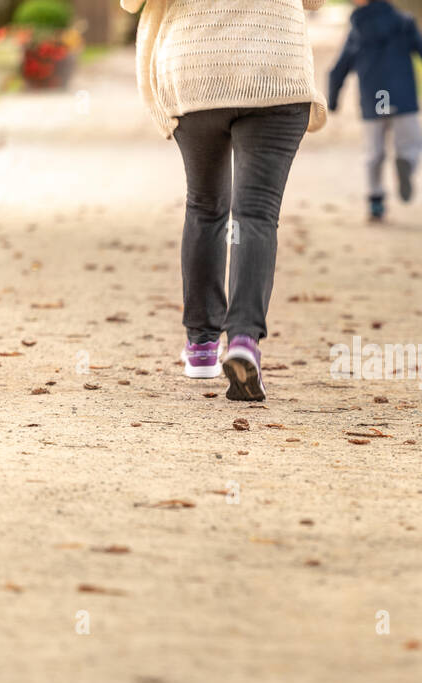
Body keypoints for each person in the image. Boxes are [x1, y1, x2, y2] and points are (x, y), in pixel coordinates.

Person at [122, 0, 328, 401]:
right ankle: (244, 340)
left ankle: (200, 347)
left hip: (197, 68)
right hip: (275, 69)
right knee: (257, 214)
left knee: (205, 207)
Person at [327, 0, 422, 222]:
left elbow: (339, 67)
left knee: (374, 152)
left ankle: (376, 200)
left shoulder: (358, 28)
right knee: (413, 142)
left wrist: (332, 100)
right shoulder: (403, 22)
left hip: (374, 97)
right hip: (402, 95)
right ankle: (406, 165)